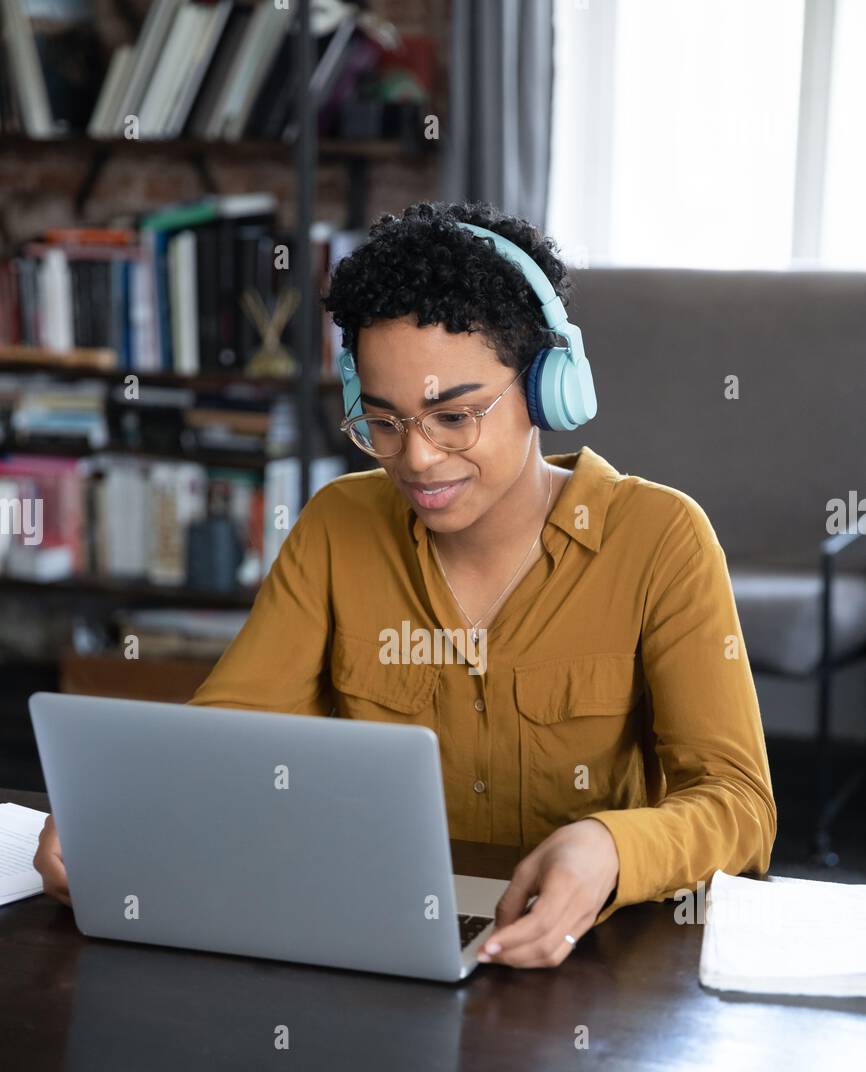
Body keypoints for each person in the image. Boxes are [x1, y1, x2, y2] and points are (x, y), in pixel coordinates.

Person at [35, 199, 776, 968]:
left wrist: (611, 848)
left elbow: (740, 805)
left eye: (453, 417)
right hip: (372, 947)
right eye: (382, 422)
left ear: (549, 387)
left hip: (594, 967)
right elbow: (229, 740)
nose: (416, 459)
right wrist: (121, 812)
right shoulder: (336, 527)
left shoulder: (661, 541)